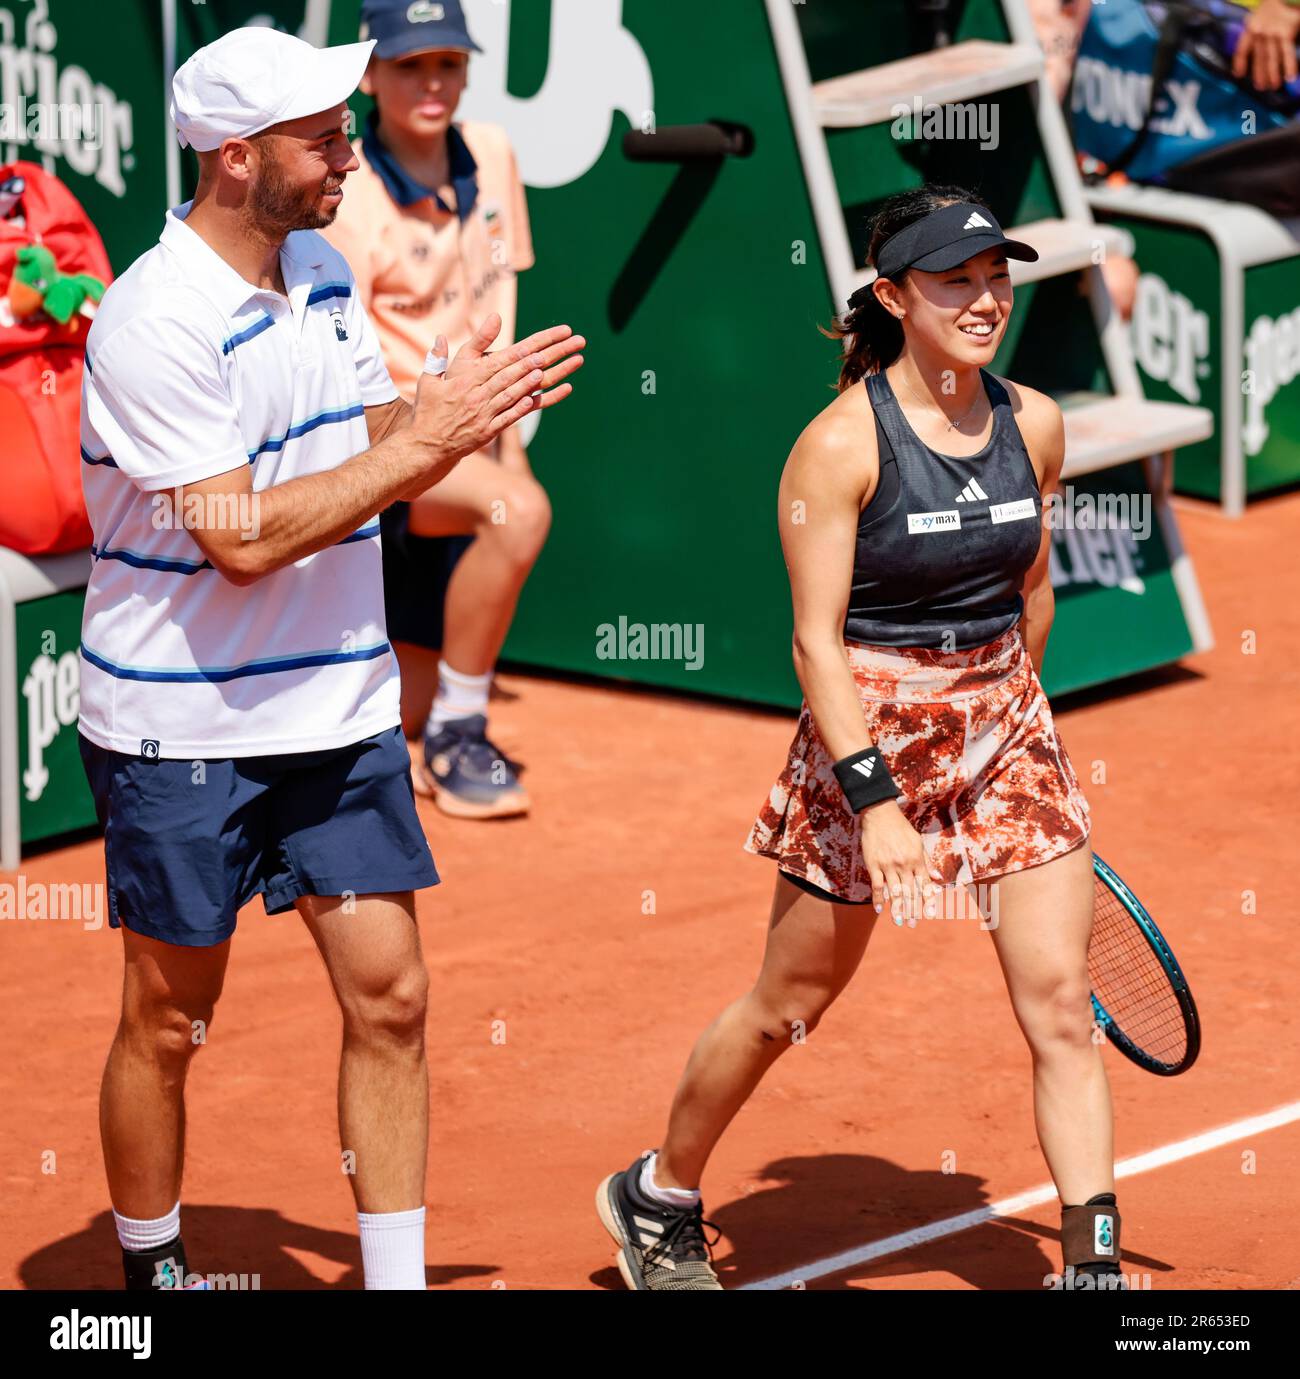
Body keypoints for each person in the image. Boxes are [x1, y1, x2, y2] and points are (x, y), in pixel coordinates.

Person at [76, 25, 582, 1291]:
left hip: (339, 703)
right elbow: (243, 536)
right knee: (170, 1018)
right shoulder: (153, 319)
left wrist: (443, 405)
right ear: (237, 157)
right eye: (325, 134)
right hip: (181, 732)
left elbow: (344, 439)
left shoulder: (317, 268)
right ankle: (151, 1271)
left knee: (392, 996)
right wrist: (427, 443)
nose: (351, 150)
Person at [596, 186, 1122, 1292]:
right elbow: (813, 646)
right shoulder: (837, 446)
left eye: (995, 277)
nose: (984, 301)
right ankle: (660, 1191)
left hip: (1003, 727)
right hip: (866, 735)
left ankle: (1092, 1263)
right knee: (788, 1005)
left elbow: (1030, 588)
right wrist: (877, 800)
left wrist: (1018, 726)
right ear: (894, 296)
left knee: (1062, 1004)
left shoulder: (1036, 421)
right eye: (953, 282)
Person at [320, 0, 544, 819]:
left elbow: (497, 295)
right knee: (518, 514)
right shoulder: (346, 193)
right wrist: (417, 444)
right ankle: (460, 732)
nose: (432, 83)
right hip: (379, 443)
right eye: (409, 65)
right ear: (370, 76)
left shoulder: (491, 152)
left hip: (471, 438)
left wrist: (505, 442)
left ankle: (429, 720)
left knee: (389, 723)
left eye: (447, 62)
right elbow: (337, 356)